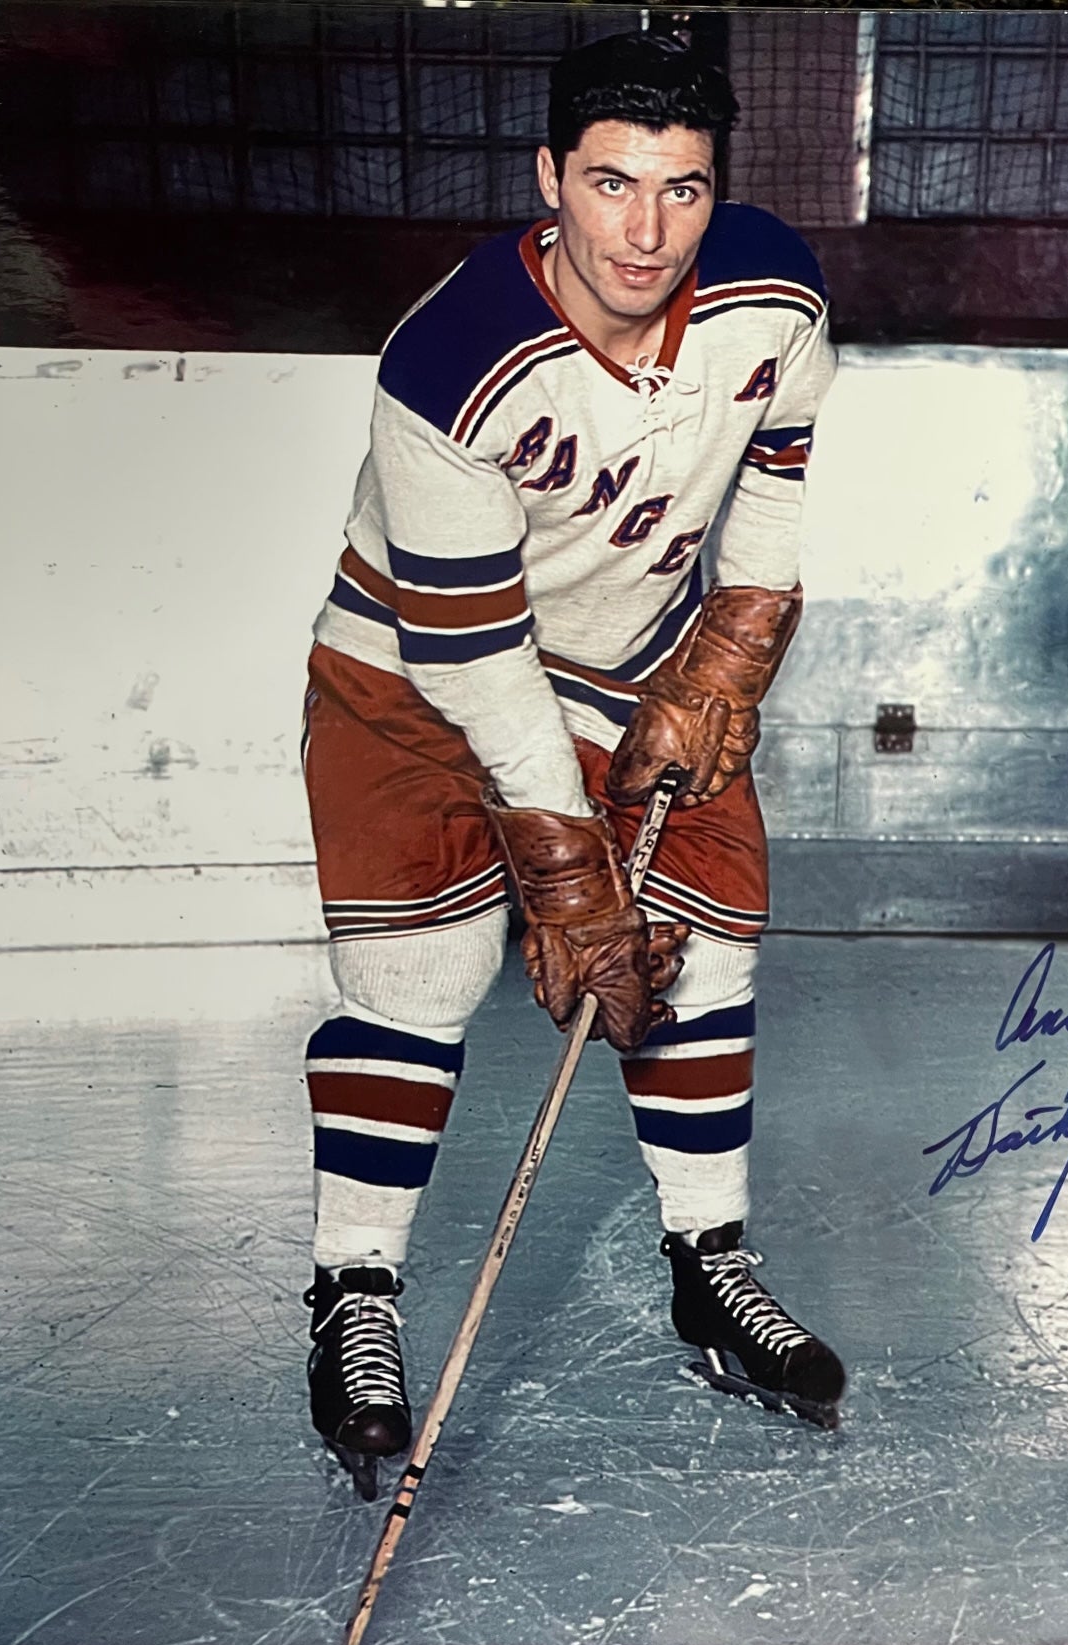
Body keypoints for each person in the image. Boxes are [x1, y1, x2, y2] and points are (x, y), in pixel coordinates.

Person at [298, 29, 843, 1497]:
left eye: (682, 188)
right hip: (413, 671)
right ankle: (355, 1296)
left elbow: (777, 483)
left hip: (642, 667)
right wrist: (565, 868)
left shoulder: (774, 296)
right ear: (550, 178)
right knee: (413, 987)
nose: (647, 230)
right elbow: (473, 657)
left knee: (706, 956)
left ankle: (708, 1261)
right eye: (610, 184)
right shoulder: (452, 359)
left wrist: (728, 655)